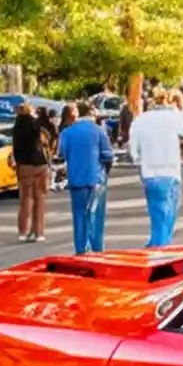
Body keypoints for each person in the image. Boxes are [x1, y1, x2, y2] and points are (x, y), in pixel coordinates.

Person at [129, 88, 183, 247]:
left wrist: (140, 161)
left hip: (149, 171)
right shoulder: (174, 117)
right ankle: (161, 247)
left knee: (157, 213)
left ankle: (157, 243)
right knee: (168, 214)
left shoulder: (140, 120)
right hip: (170, 170)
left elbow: (133, 150)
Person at [59, 101, 114, 254]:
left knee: (79, 214)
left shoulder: (67, 133)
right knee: (96, 214)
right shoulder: (98, 131)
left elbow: (61, 154)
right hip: (96, 178)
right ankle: (97, 247)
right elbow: (107, 155)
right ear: (91, 113)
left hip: (76, 178)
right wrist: (105, 174)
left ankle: (81, 248)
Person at [12, 103, 50, 242]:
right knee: (40, 198)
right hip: (40, 164)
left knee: (26, 199)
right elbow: (48, 136)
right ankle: (39, 232)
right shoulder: (36, 125)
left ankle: (23, 231)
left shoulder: (17, 128)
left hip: (25, 165)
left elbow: (16, 148)